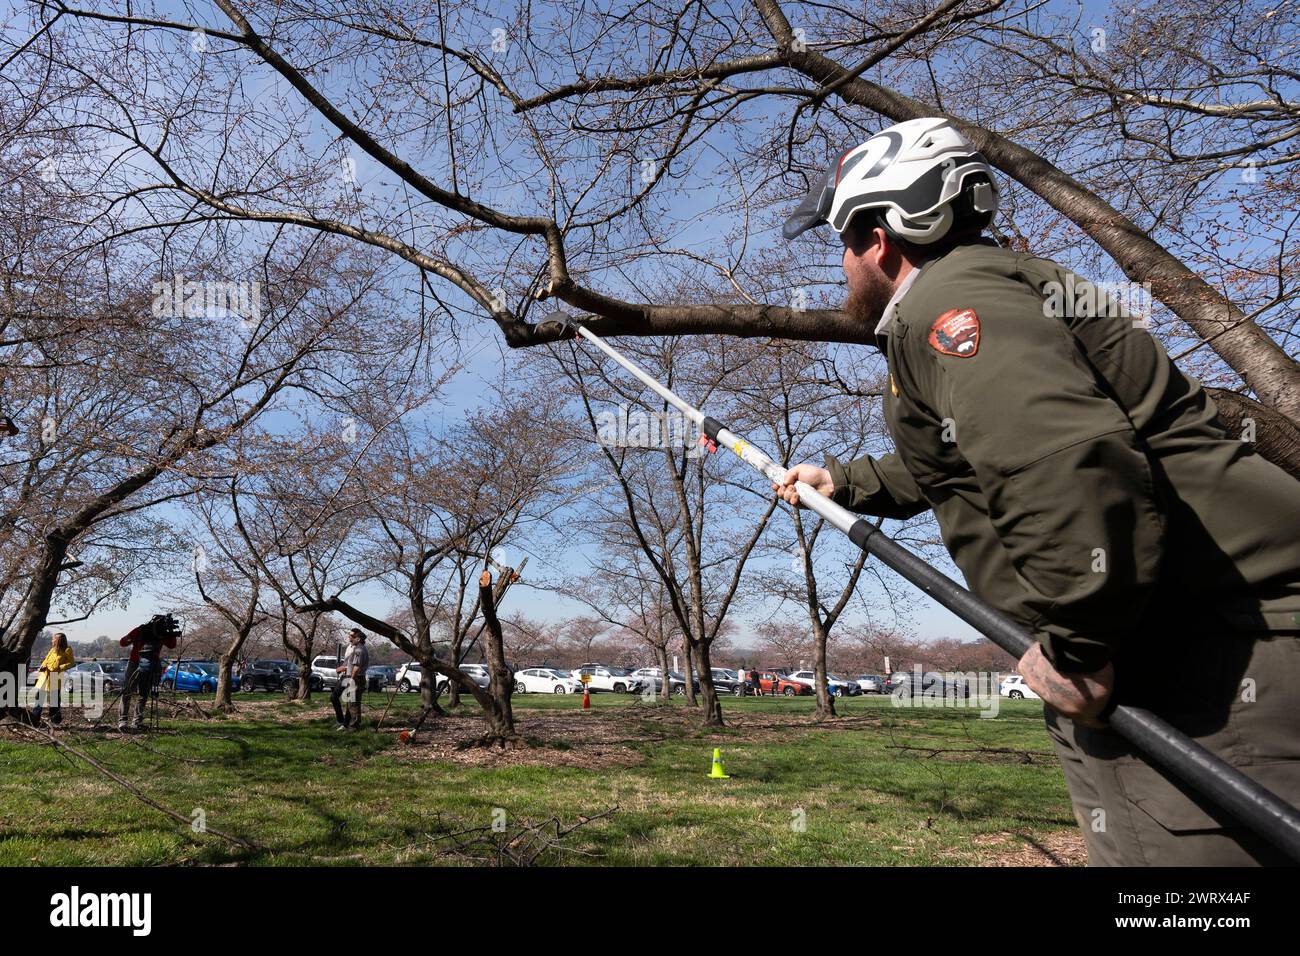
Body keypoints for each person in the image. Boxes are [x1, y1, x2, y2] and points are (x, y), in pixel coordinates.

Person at [776, 117, 1300, 866]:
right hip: (1184, 643)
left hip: (1201, 658)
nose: (845, 265)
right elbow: (973, 458)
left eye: (845, 243)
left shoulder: (951, 304)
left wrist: (1077, 648)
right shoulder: (993, 286)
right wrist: (846, 482)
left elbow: (1068, 461)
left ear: (882, 238)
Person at [118, 615, 179, 732]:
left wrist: (131, 639)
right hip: (147, 664)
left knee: (129, 692)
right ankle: (136, 722)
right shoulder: (161, 633)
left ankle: (124, 722)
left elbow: (122, 642)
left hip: (136, 663)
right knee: (142, 694)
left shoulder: (140, 630)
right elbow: (172, 645)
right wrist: (170, 632)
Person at [30, 633, 74, 727]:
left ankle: (55, 721)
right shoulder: (52, 650)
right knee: (39, 698)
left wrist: (59, 667)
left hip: (55, 677)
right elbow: (46, 660)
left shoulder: (67, 650)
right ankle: (34, 719)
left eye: (53, 639)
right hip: (45, 676)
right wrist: (42, 667)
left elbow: (71, 663)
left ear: (58, 640)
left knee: (54, 700)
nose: (52, 640)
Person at [332, 629, 370, 731]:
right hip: (352, 677)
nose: (350, 639)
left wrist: (351, 680)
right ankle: (347, 725)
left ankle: (354, 727)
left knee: (353, 704)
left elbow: (356, 667)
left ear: (358, 639)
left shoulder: (359, 650)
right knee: (350, 702)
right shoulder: (358, 648)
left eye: (352, 637)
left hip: (355, 678)